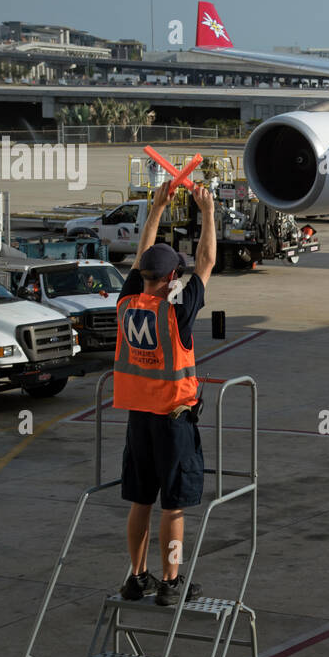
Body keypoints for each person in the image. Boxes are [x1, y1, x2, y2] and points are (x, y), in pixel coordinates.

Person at [114, 178, 216, 607]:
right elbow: (207, 261)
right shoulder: (178, 310)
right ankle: (172, 581)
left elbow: (141, 261)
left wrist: (155, 209)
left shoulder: (127, 302)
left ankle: (137, 578)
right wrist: (207, 212)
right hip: (174, 420)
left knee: (141, 501)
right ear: (173, 277)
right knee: (173, 508)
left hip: (138, 420)